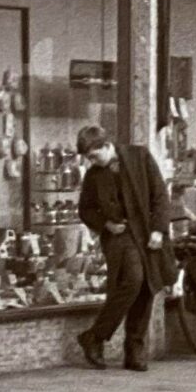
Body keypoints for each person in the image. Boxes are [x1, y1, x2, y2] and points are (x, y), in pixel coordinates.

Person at [74, 124, 175, 372]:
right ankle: (97, 336)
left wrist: (158, 230)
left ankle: (132, 349)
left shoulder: (139, 156)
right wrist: (105, 224)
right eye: (88, 159)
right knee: (133, 280)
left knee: (147, 288)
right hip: (120, 237)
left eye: (94, 156)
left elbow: (160, 194)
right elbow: (85, 209)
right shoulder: (93, 176)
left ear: (106, 146)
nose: (91, 162)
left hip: (147, 233)